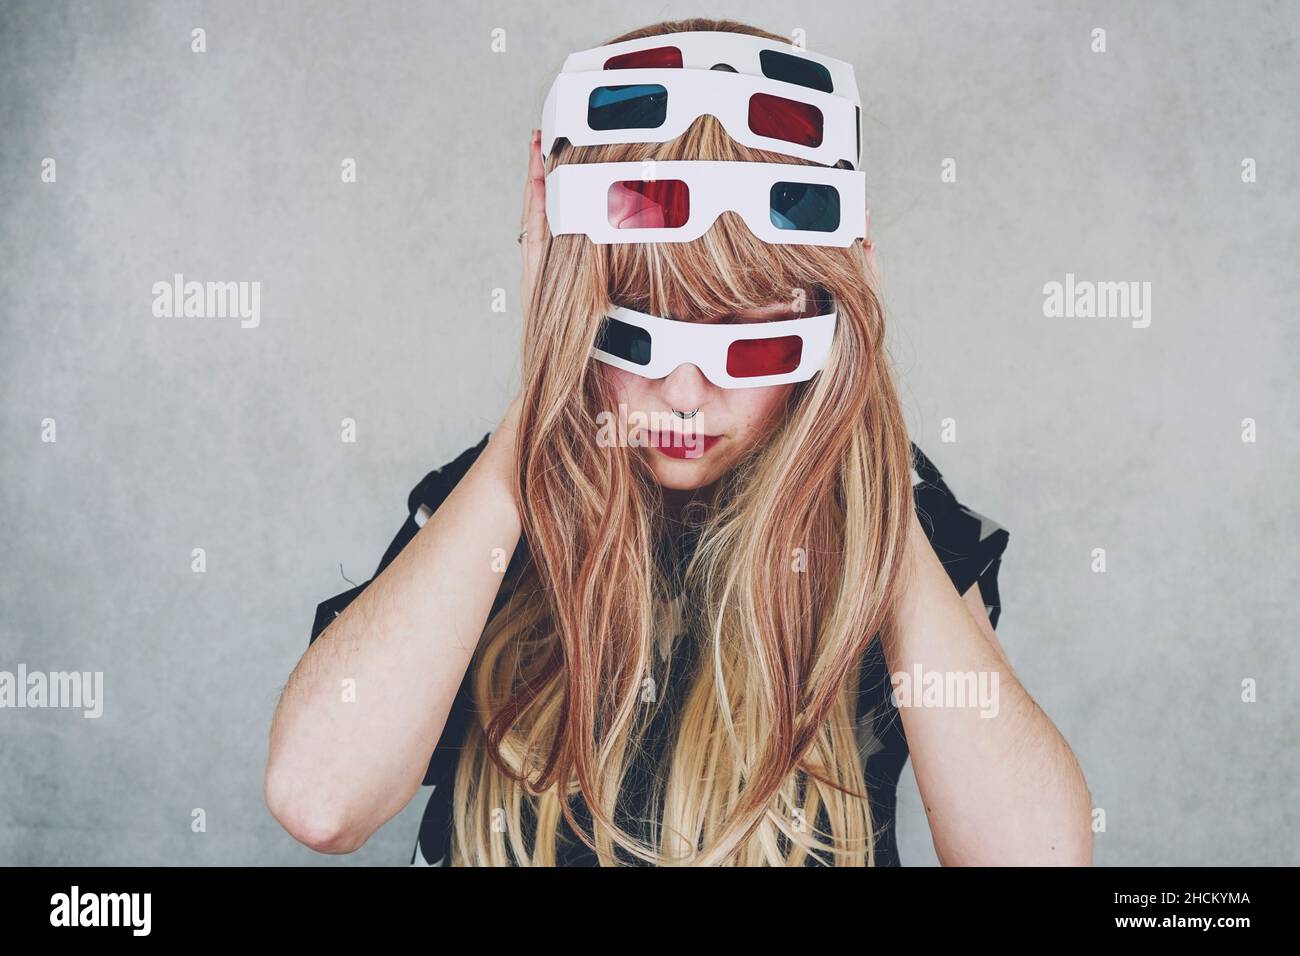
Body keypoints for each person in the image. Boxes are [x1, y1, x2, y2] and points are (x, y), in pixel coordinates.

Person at [265, 17, 1093, 867]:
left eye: (751, 339)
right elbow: (320, 799)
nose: (686, 395)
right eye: (634, 332)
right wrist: (540, 407)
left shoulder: (883, 515)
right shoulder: (492, 516)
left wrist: (865, 430)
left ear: (828, 307)